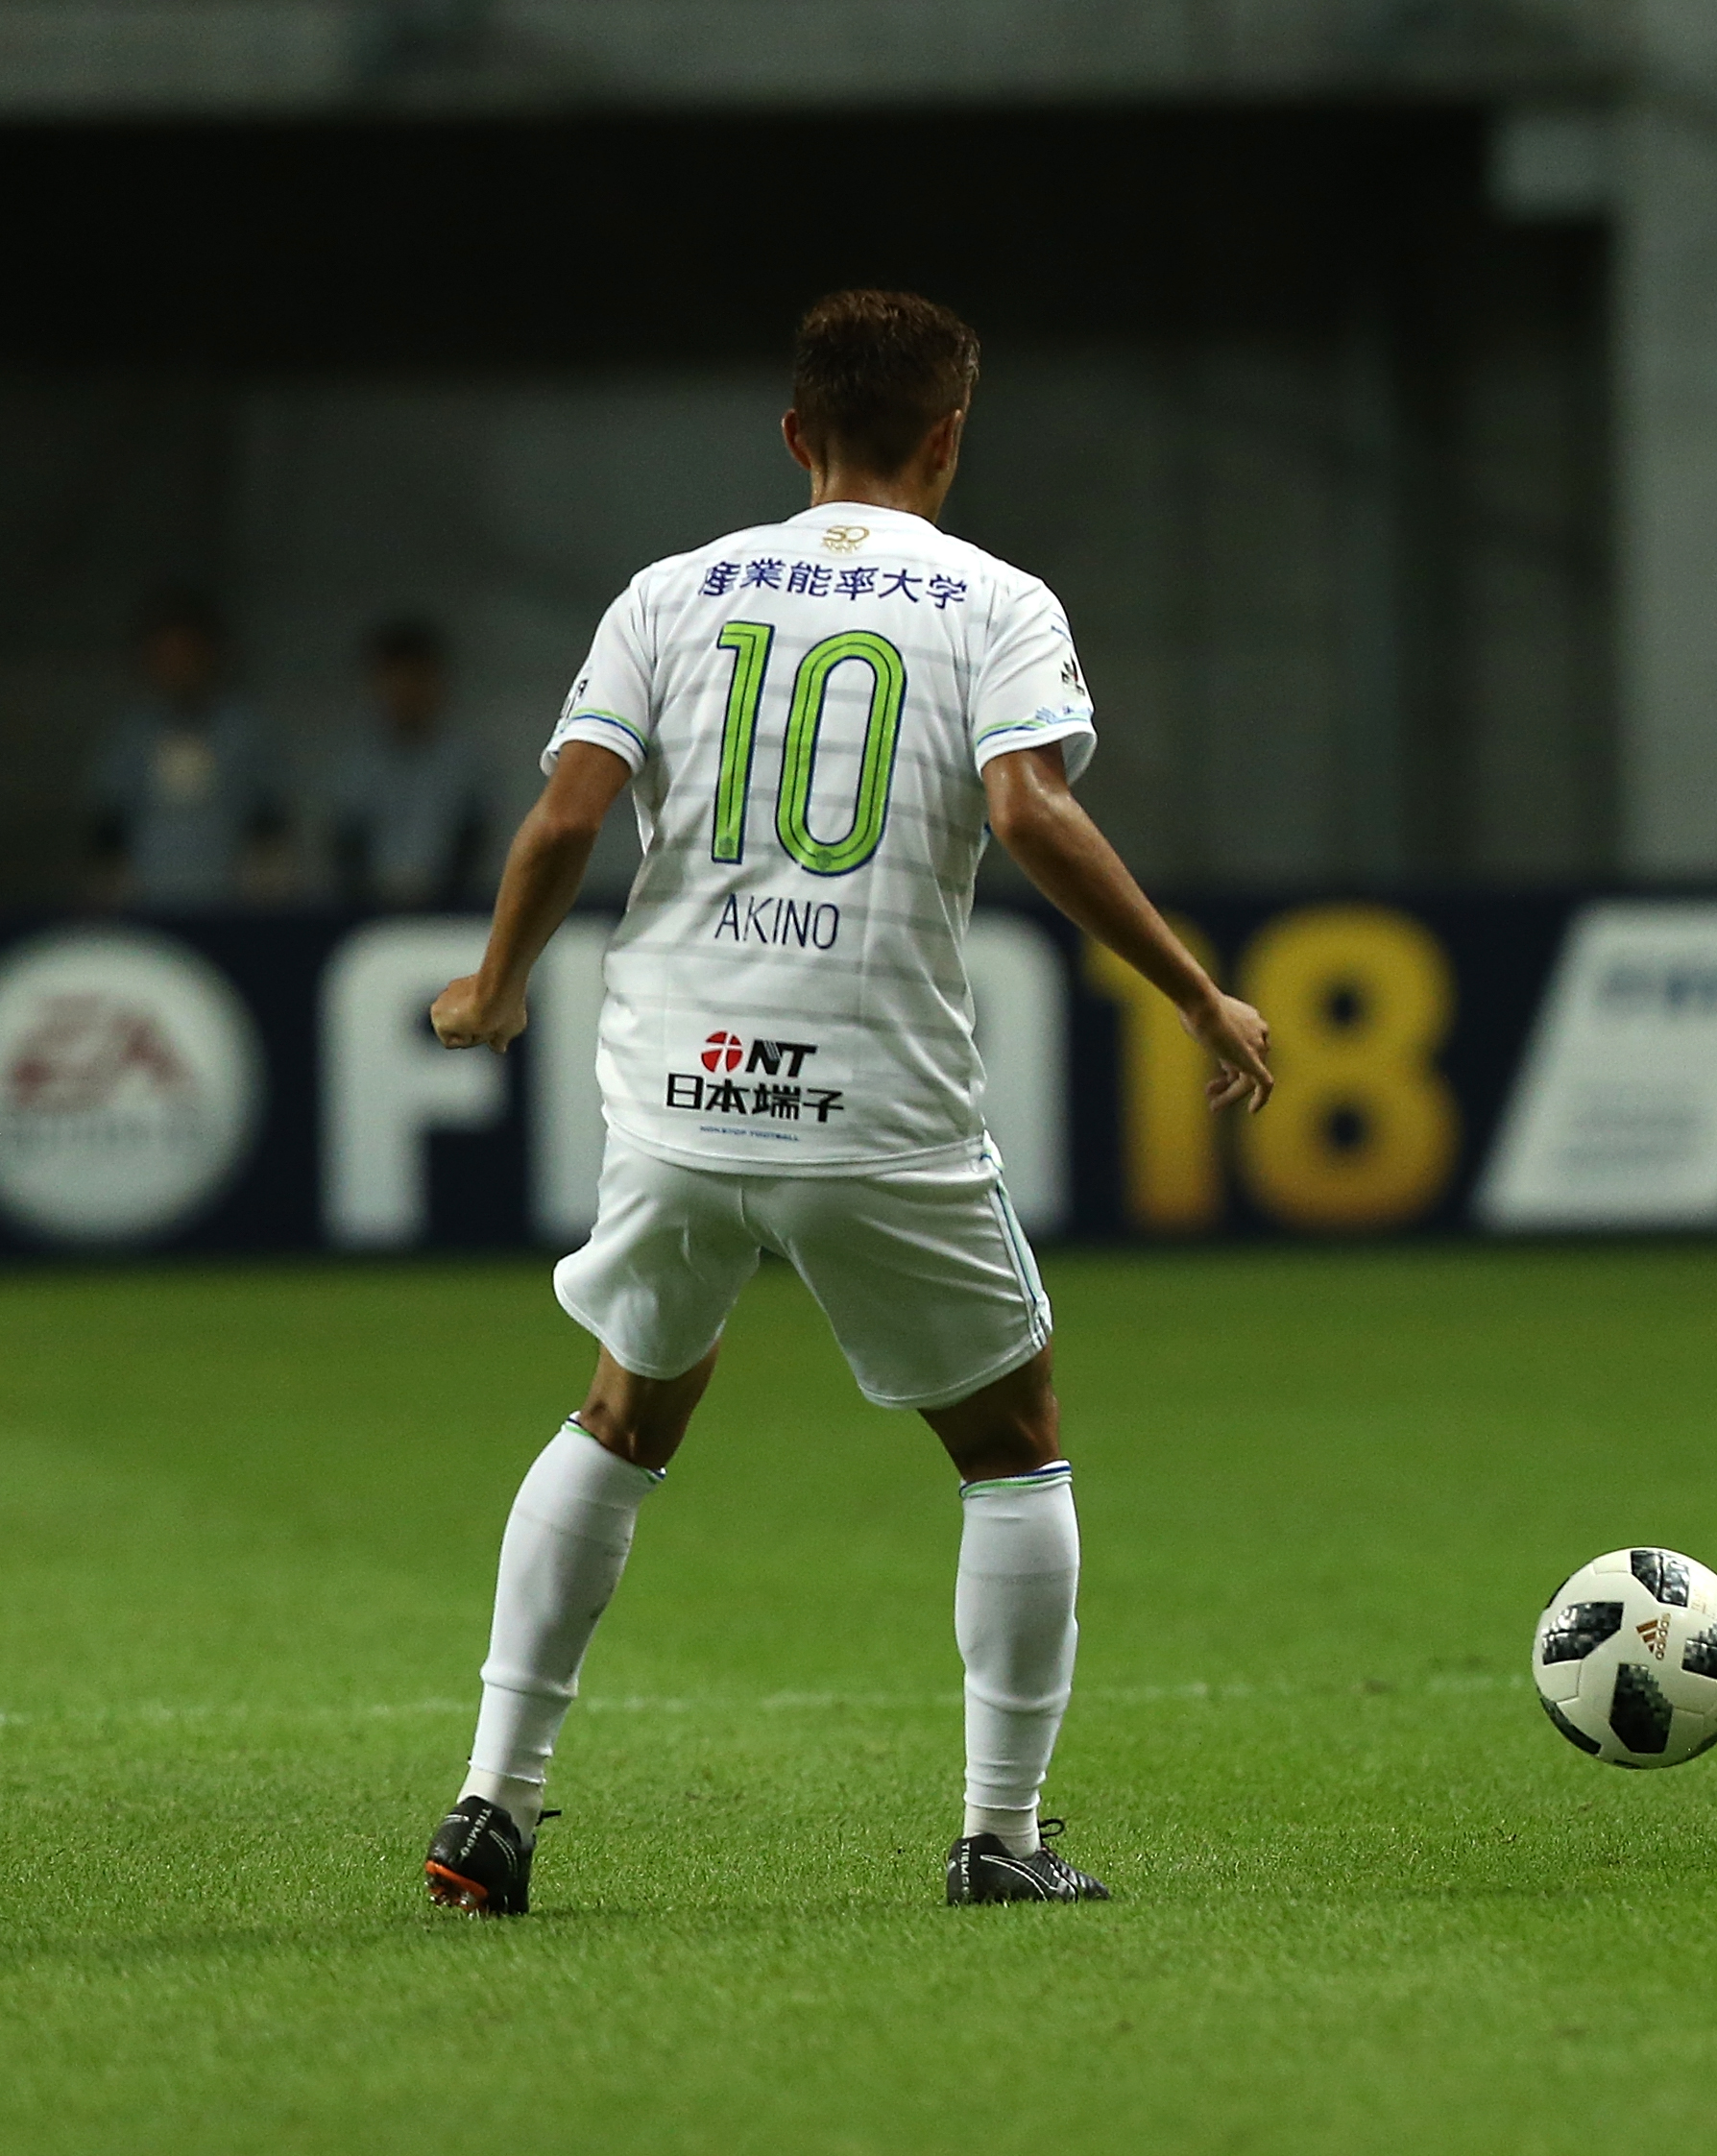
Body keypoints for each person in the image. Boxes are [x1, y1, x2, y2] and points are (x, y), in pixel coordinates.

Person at [418, 289, 1274, 1915]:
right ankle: (999, 1839)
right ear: (947, 440)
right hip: (870, 1101)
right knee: (1013, 1444)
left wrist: (495, 985)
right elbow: (1028, 812)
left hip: (675, 1090)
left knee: (621, 1413)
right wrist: (1189, 987)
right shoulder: (996, 603)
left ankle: (491, 1803)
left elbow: (560, 824)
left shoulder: (670, 595)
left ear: (795, 435)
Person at [85, 588, 288, 908]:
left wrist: (266, 892)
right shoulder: (131, 735)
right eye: (166, 657)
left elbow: (269, 819)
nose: (177, 668)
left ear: (209, 656)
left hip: (229, 901)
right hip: (149, 901)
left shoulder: (243, 731)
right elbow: (108, 824)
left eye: (186, 655)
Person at [331, 617, 496, 908]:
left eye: (416, 678)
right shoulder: (356, 764)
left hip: (449, 912)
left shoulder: (464, 761)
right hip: (366, 915)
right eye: (395, 679)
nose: (405, 692)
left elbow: (472, 843)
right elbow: (345, 846)